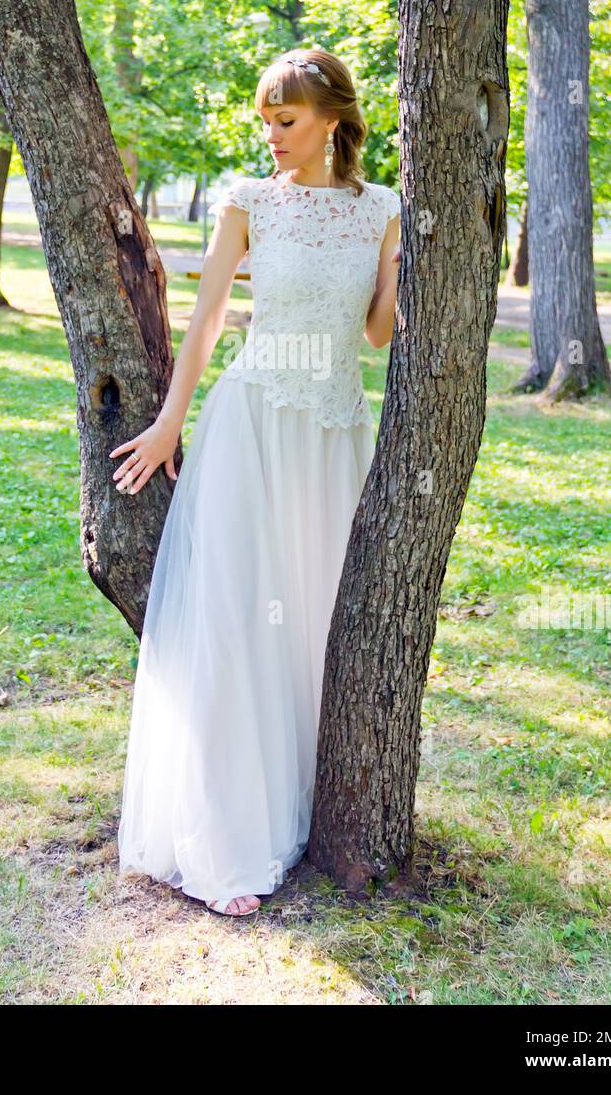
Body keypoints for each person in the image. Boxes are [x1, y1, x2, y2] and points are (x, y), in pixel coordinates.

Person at [112, 47, 401, 918]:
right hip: (254, 421)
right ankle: (229, 842)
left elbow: (381, 335)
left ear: (334, 122)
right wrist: (168, 423)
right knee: (240, 617)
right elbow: (202, 325)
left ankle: (306, 809)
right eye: (266, 121)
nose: (272, 136)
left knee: (315, 623)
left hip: (334, 432)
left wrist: (405, 265)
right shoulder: (247, 203)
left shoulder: (383, 209)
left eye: (288, 120)